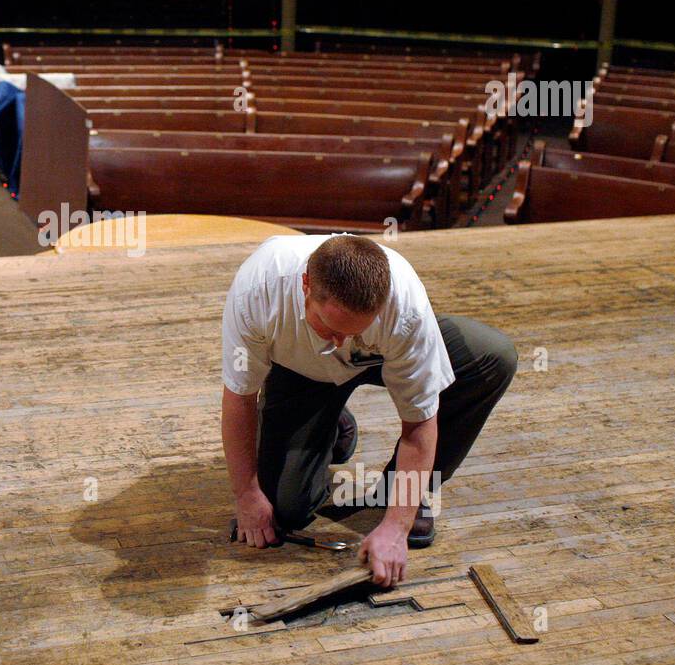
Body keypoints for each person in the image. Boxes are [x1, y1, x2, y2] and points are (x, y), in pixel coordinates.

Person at [221, 234, 516, 587]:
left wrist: (397, 525)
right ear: (305, 286)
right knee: (286, 509)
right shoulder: (259, 289)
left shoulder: (405, 308)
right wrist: (247, 495)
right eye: (328, 327)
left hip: (380, 357)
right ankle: (329, 422)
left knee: (492, 355)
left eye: (353, 331)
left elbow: (419, 424)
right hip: (300, 371)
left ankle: (404, 487)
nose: (340, 342)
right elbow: (240, 398)